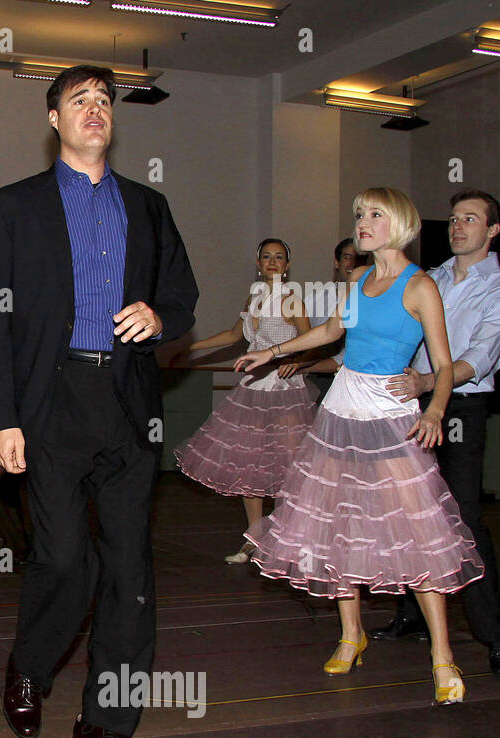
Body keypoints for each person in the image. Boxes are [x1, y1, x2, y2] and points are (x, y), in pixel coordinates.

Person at [0, 65, 198, 738]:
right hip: (51, 400)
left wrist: (162, 316)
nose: (95, 110)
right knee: (63, 557)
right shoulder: (11, 207)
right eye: (80, 100)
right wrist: (1, 419)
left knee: (130, 567)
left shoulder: (148, 206)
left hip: (128, 405)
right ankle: (29, 669)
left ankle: (105, 721)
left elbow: (182, 296)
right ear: (55, 119)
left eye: (105, 100)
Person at [237, 187, 482, 705]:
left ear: (398, 224)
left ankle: (442, 656)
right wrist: (271, 351)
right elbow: (329, 330)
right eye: (358, 215)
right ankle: (351, 634)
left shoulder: (420, 287)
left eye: (373, 215)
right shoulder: (357, 279)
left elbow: (442, 364)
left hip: (390, 412)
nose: (361, 223)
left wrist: (436, 409)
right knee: (335, 522)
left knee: (417, 530)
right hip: (341, 409)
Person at [368, 188, 500, 681]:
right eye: (452, 218)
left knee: (462, 517)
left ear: (492, 230)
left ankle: (494, 635)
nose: (457, 226)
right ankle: (412, 614)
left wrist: (432, 383)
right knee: (407, 509)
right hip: (412, 401)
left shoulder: (499, 287)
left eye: (470, 219)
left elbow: (481, 356)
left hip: (460, 406)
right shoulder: (432, 277)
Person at [175, 238, 314, 562]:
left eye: (279, 257)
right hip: (253, 389)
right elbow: (235, 335)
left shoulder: (292, 300)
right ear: (258, 263)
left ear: (287, 265)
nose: (273, 262)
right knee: (251, 465)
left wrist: (300, 358)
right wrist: (191, 348)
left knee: (288, 467)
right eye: (267, 256)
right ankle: (255, 537)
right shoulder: (254, 299)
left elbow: (312, 340)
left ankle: (289, 538)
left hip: (285, 391)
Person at [299, 237, 358, 404]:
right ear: (337, 262)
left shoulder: (372, 301)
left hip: (356, 382)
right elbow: (303, 339)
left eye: (358, 258)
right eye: (347, 257)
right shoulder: (316, 298)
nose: (352, 263)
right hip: (316, 380)